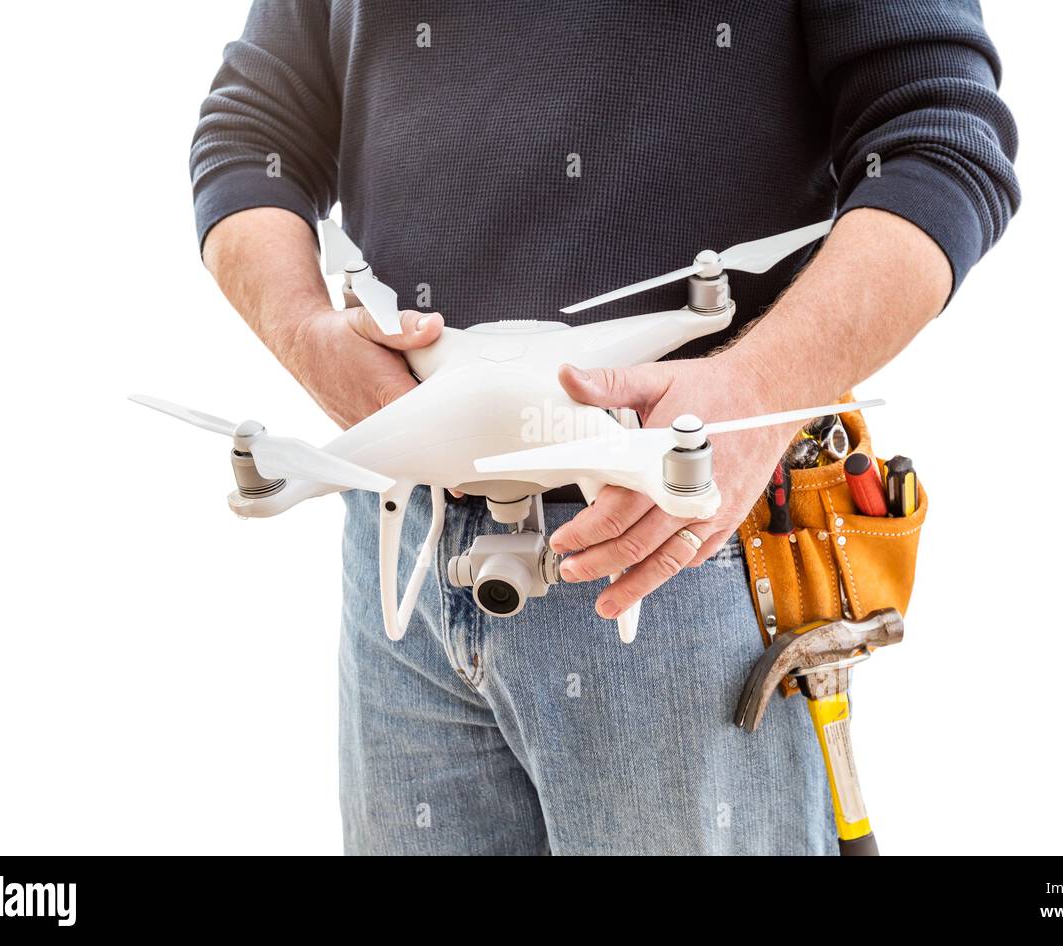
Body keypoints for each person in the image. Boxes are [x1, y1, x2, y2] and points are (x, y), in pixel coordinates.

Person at [191, 1, 1018, 855]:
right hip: (402, 558)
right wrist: (304, 331)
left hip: (681, 543)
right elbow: (252, 131)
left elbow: (942, 142)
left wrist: (763, 387)